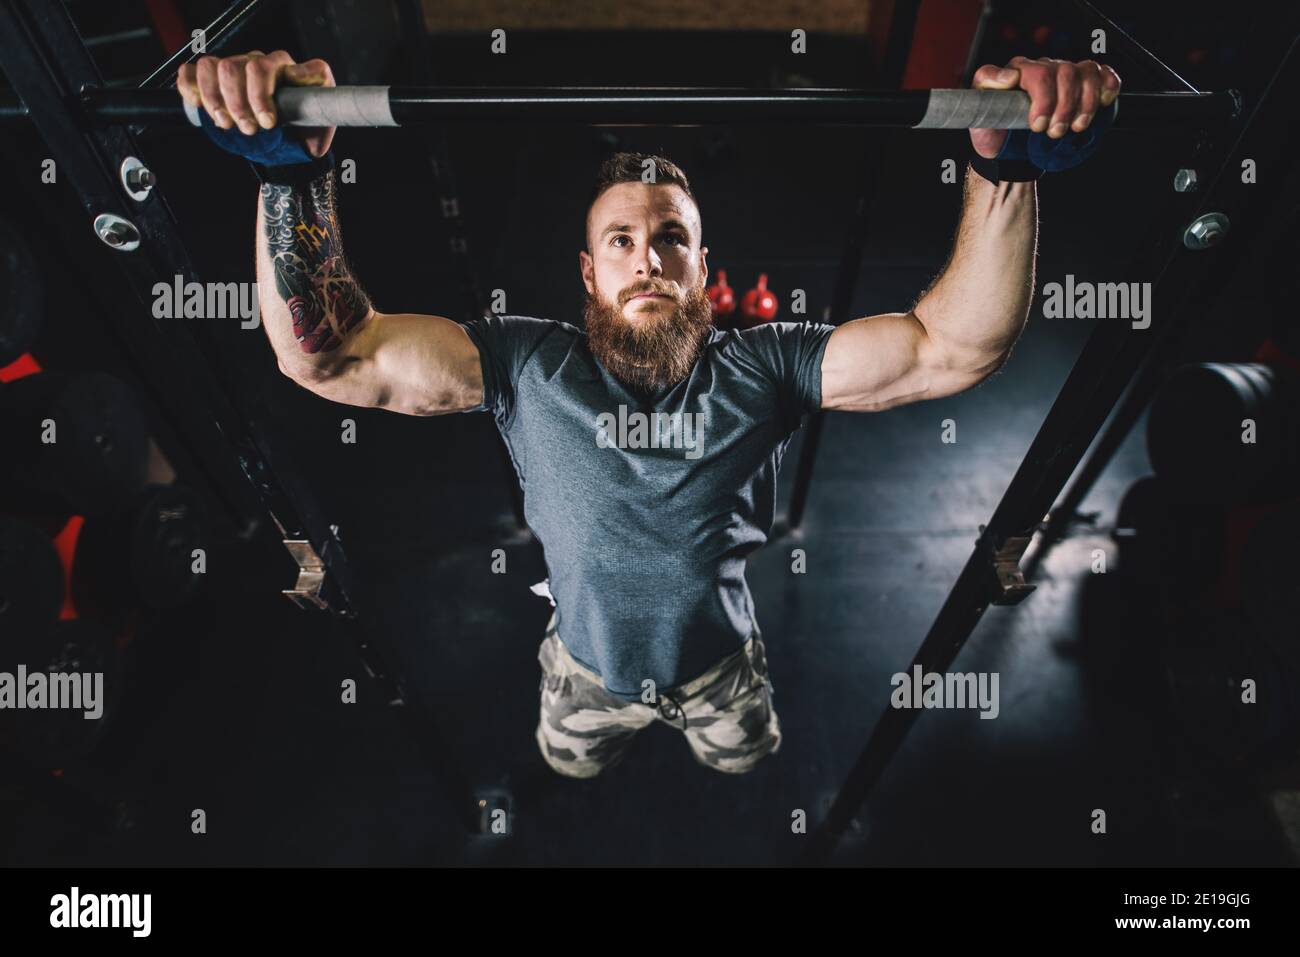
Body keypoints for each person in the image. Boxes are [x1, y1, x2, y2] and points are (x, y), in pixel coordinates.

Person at [177, 50, 1120, 778]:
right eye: (621, 240)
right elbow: (332, 354)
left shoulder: (766, 366)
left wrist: (1009, 174)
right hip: (583, 676)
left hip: (723, 674)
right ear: (589, 273)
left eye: (672, 238)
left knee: (745, 757)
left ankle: (726, 748)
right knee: (565, 758)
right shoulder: (525, 365)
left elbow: (952, 348)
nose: (649, 259)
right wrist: (289, 179)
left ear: (703, 270)